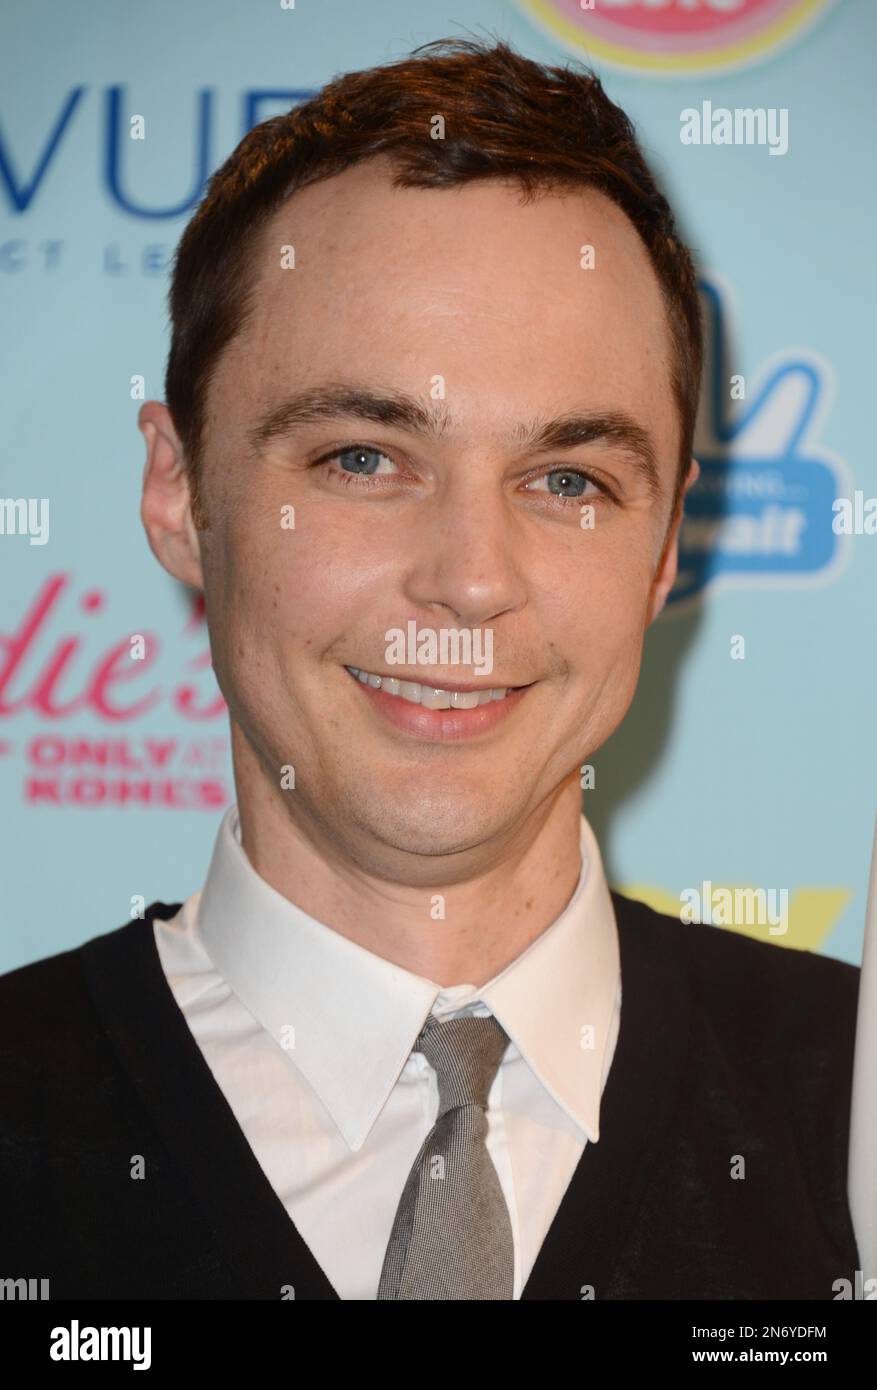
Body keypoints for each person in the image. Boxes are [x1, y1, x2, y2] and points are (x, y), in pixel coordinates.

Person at [0, 37, 860, 1300]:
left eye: (567, 479)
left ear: (667, 542)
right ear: (180, 491)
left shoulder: (853, 1098)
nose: (468, 577)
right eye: (362, 457)